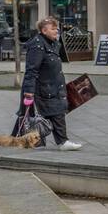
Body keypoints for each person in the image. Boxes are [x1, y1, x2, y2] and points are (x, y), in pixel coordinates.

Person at [20, 16, 82, 150]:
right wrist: (29, 91)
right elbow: (31, 70)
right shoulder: (37, 45)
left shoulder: (52, 43)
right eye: (53, 29)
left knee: (56, 112)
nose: (56, 31)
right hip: (42, 88)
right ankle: (49, 142)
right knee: (47, 114)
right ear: (44, 30)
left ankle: (60, 142)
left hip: (53, 86)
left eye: (57, 28)